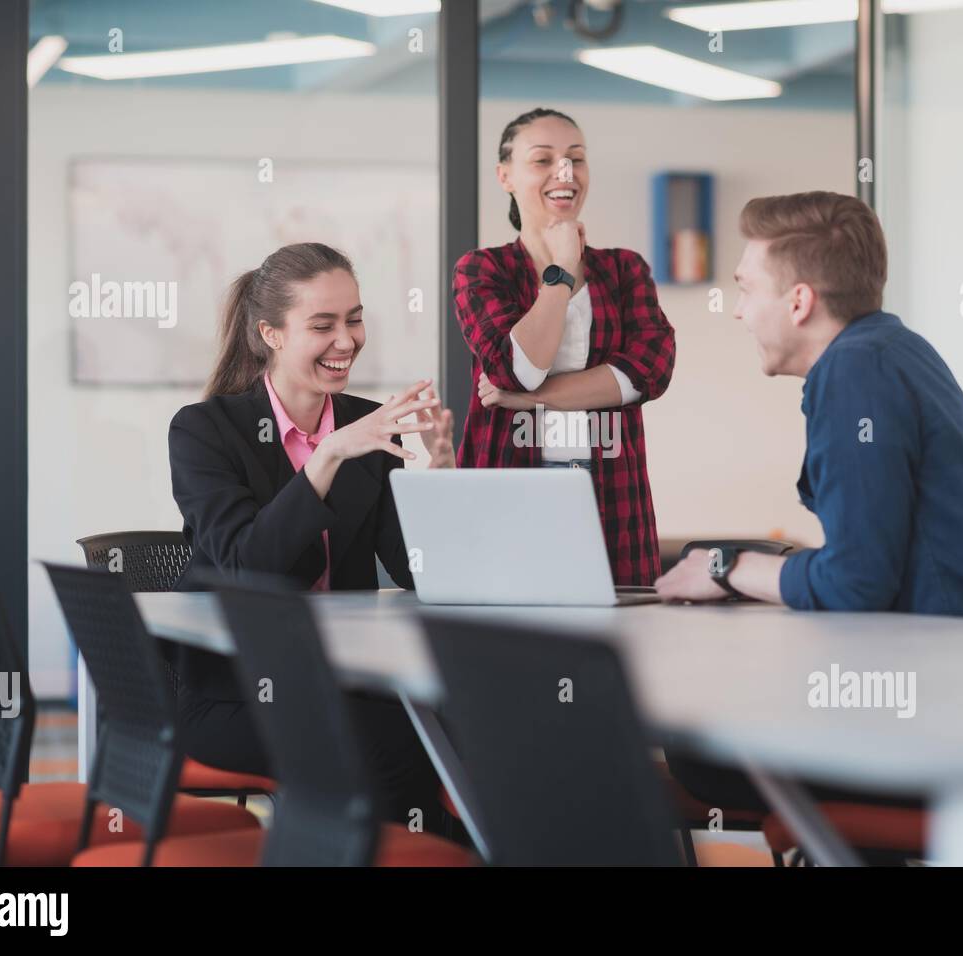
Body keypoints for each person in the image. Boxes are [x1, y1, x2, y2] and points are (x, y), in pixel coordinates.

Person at [655, 192, 963, 843]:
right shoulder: (893, 349)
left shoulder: (854, 372)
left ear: (799, 301)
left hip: (956, 723)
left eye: (745, 288)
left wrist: (731, 568)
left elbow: (857, 582)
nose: (735, 309)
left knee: (699, 757)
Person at [168, 241, 454, 826]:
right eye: (323, 324)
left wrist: (442, 474)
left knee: (460, 724)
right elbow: (248, 564)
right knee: (392, 743)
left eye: (354, 319)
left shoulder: (365, 427)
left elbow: (416, 568)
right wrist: (327, 457)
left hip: (344, 675)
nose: (346, 340)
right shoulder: (205, 430)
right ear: (271, 334)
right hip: (236, 692)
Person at [453, 107, 677, 586]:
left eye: (576, 158)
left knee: (622, 645)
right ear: (505, 176)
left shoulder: (624, 270)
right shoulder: (480, 270)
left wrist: (529, 399)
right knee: (504, 646)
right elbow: (516, 369)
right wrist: (562, 270)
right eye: (543, 160)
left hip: (614, 501)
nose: (565, 173)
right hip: (506, 499)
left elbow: (647, 373)